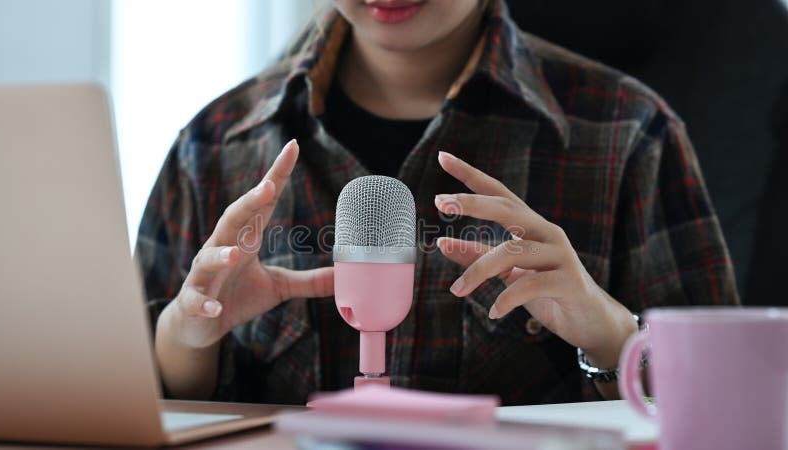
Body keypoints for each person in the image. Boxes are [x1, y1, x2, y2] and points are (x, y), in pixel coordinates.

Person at [136, 0, 739, 406]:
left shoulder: (629, 133)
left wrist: (609, 333)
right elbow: (123, 398)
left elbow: (729, 405)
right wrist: (188, 335)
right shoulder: (213, 144)